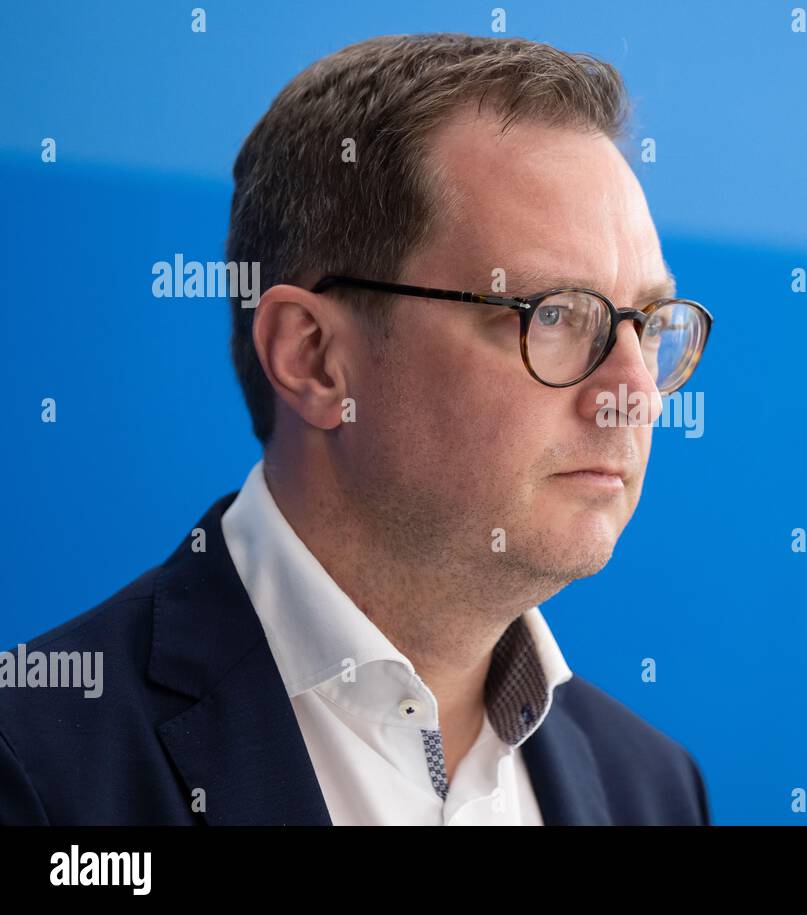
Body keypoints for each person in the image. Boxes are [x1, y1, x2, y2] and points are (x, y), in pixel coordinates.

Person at [0, 33, 712, 826]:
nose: (636, 394)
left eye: (647, 324)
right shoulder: (38, 772)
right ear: (314, 358)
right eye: (553, 316)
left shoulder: (654, 790)